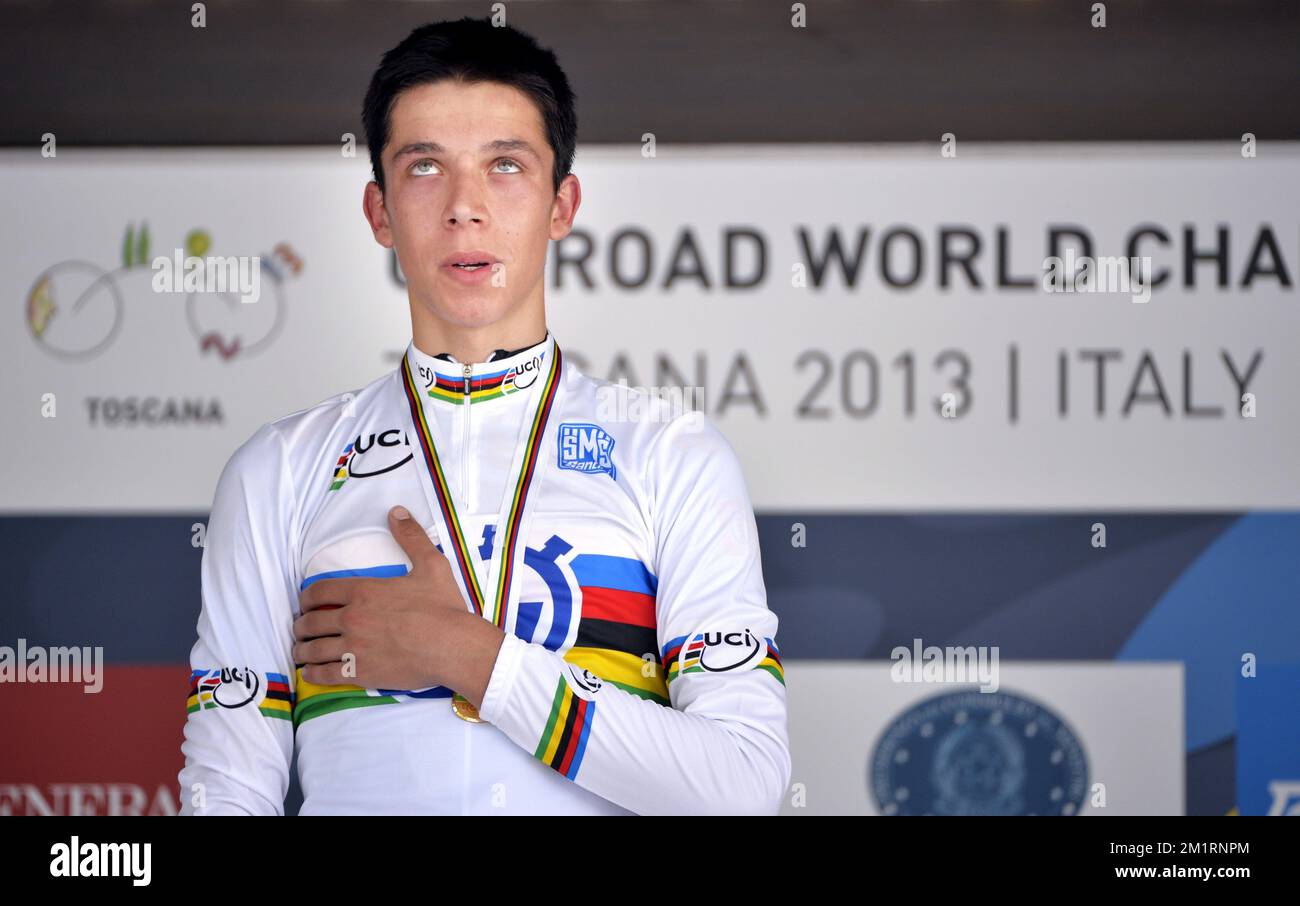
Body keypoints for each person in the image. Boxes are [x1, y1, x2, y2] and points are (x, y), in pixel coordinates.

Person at [178, 16, 789, 815]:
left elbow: (741, 789)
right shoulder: (279, 468)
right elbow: (229, 796)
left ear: (561, 203)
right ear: (380, 212)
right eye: (425, 167)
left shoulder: (672, 454)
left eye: (506, 165)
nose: (465, 208)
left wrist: (463, 653)